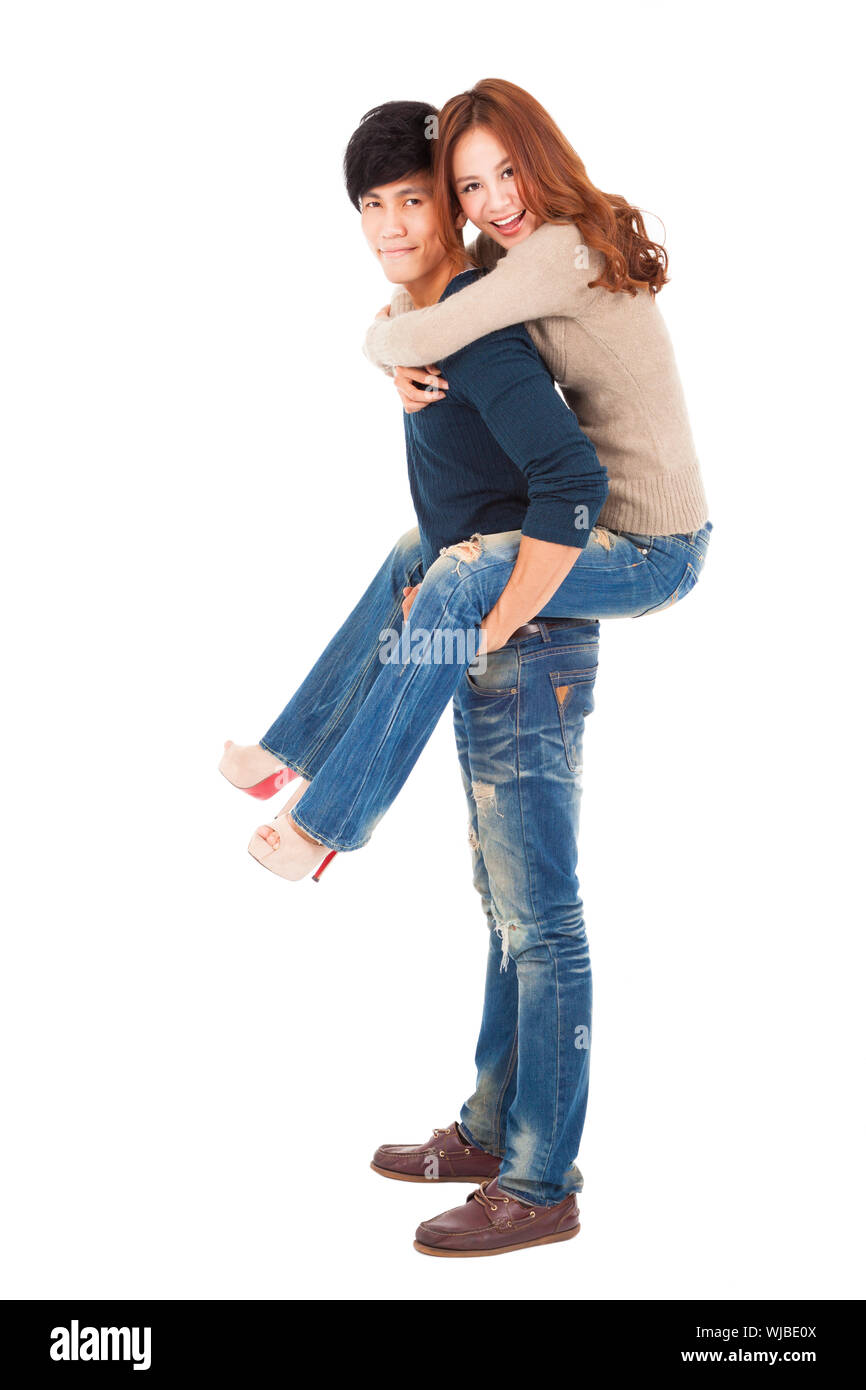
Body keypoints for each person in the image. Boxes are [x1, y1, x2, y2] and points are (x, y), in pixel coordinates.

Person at [219, 94, 711, 1255]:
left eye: (440, 193)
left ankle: (539, 1184)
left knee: (540, 918)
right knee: (505, 904)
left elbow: (566, 484)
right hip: (552, 585)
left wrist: (494, 606)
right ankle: (490, 1129)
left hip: (633, 553)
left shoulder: (535, 270)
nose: (474, 205)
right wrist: (392, 345)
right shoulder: (474, 288)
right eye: (456, 188)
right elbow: (419, 334)